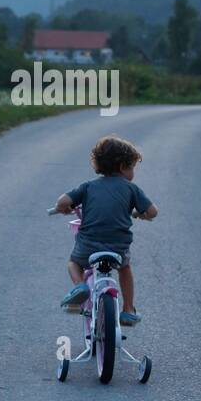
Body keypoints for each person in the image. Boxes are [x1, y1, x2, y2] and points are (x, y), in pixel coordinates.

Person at [52, 134, 157, 327]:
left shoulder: (88, 187)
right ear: (121, 167)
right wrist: (141, 214)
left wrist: (63, 208)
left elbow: (63, 202)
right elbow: (152, 212)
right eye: (132, 167)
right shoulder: (131, 189)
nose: (133, 172)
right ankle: (127, 310)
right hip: (118, 246)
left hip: (89, 245)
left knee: (74, 263)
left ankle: (80, 286)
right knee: (124, 269)